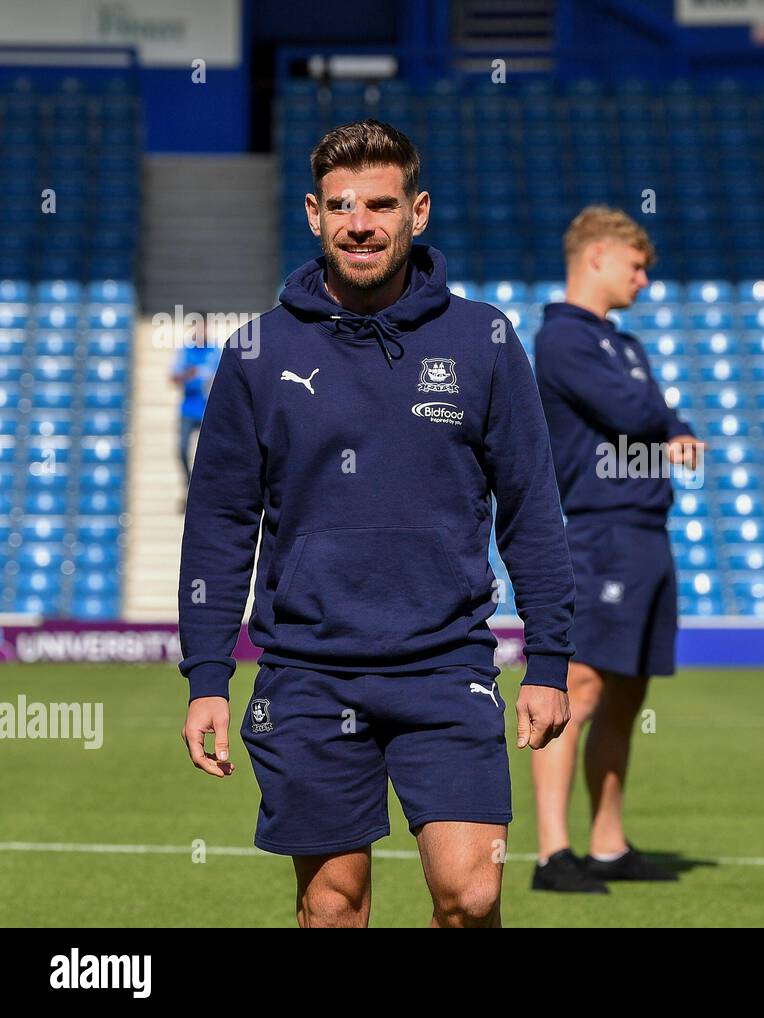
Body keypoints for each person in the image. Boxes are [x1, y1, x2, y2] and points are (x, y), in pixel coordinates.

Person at [177, 119, 576, 928]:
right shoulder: (255, 353)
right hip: (307, 670)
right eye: (342, 205)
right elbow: (221, 522)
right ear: (315, 216)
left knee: (471, 896)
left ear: (417, 213)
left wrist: (549, 659)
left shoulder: (484, 338)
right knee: (332, 907)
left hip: (446, 662)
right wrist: (207, 674)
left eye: (382, 204)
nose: (362, 222)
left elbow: (532, 504)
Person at [529, 206, 706, 892]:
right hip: (598, 529)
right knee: (579, 685)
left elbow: (658, 413)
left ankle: (607, 844)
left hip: (645, 531)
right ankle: (552, 853)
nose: (643, 280)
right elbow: (638, 414)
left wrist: (669, 424)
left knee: (628, 693)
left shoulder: (624, 345)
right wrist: (667, 425)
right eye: (636, 266)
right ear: (596, 257)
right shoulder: (562, 339)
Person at [170, 313, 219, 493]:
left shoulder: (215, 350)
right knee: (182, 449)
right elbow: (173, 377)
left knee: (211, 452)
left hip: (209, 410)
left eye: (204, 327)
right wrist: (186, 375)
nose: (202, 331)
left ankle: (207, 487)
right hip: (188, 409)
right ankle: (189, 483)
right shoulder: (184, 351)